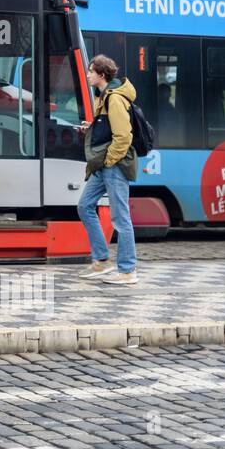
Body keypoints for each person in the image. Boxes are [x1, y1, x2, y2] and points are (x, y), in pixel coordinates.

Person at [76, 55, 140, 285]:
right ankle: (102, 260)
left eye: (91, 71)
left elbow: (123, 136)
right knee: (84, 206)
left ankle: (127, 270)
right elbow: (107, 129)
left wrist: (110, 160)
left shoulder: (114, 99)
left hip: (113, 165)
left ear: (102, 75)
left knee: (120, 217)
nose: (88, 74)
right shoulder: (102, 97)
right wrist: (90, 128)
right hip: (103, 164)